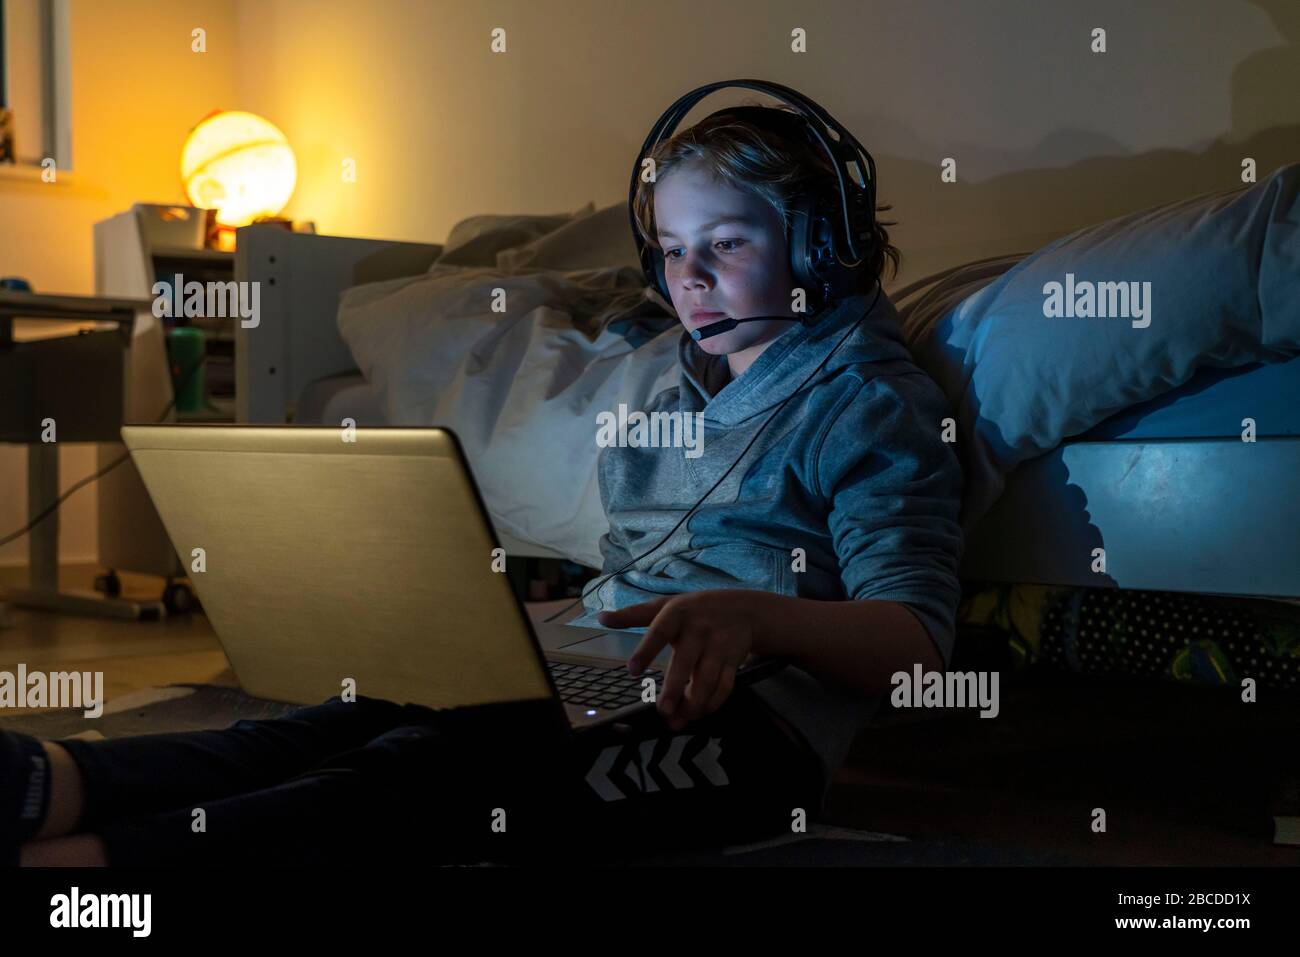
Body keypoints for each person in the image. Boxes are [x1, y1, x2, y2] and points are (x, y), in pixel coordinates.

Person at [1, 105, 963, 867]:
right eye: (673, 250)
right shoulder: (680, 381)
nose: (691, 276)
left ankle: (91, 867)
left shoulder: (872, 406)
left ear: (818, 244)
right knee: (358, 716)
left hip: (750, 734)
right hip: (598, 671)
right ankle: (48, 781)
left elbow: (914, 642)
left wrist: (759, 618)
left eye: (727, 243)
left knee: (420, 777)